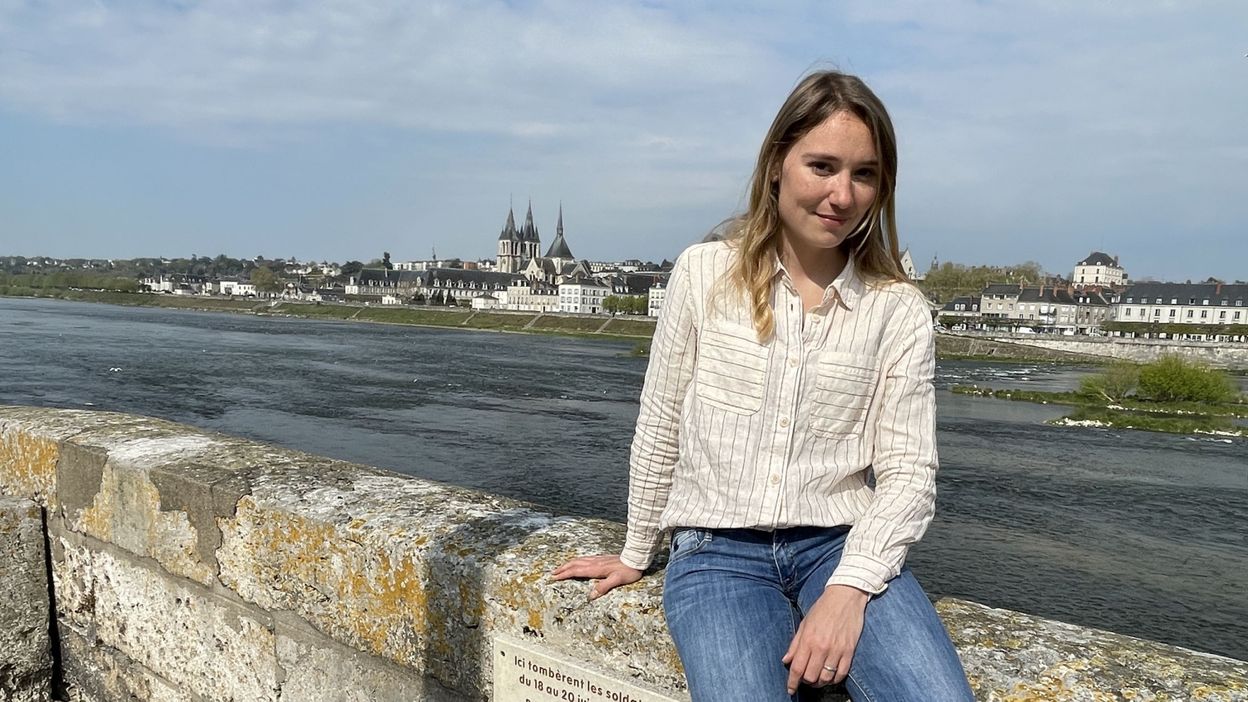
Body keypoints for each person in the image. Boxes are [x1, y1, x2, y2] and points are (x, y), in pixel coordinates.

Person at [552, 70, 974, 702]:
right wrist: (638, 549)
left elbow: (910, 473)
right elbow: (662, 420)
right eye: (822, 166)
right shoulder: (703, 274)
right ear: (777, 164)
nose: (841, 194)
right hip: (717, 553)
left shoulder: (898, 310)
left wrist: (850, 589)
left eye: (864, 174)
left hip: (840, 544)